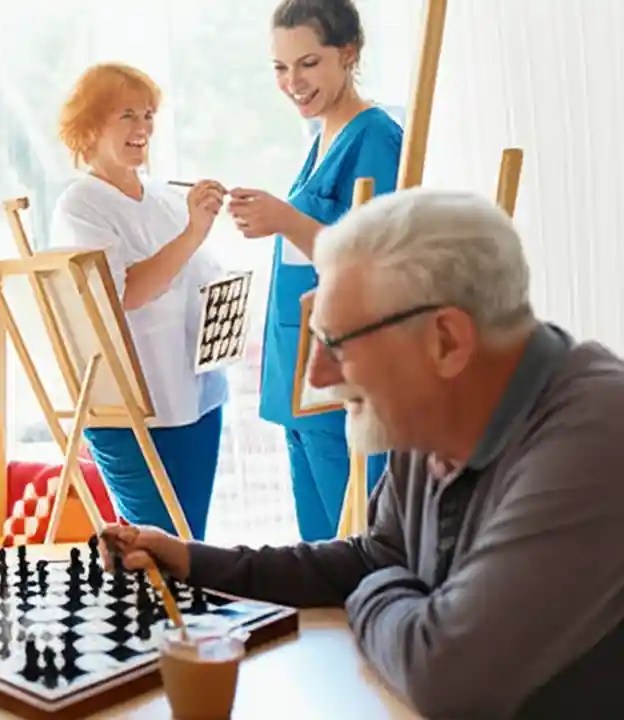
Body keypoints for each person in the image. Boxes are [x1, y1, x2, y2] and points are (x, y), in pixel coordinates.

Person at [102, 189, 624, 719]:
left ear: (445, 340)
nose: (317, 377)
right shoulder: (436, 414)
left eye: (337, 342)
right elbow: (375, 557)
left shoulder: (600, 434)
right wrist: (192, 560)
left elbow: (445, 674)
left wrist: (379, 586)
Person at [225, 0, 402, 541]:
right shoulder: (322, 135)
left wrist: (284, 218)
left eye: (308, 63)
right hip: (297, 376)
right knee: (319, 557)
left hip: (339, 375)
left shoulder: (375, 137)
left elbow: (372, 261)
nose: (292, 82)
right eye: (280, 68)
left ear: (348, 54)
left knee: (357, 551)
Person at [49, 62, 229, 540]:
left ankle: (192, 618)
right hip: (127, 408)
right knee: (159, 543)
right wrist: (193, 233)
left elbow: (201, 280)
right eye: (127, 114)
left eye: (148, 115)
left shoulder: (166, 198)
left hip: (196, 397)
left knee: (192, 545)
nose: (143, 128)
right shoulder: (80, 204)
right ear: (89, 126)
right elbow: (123, 293)